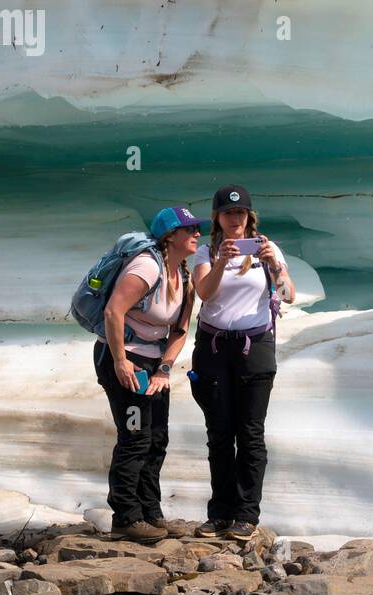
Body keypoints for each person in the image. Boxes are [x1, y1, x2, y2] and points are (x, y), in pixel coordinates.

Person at [190, 184, 296, 541]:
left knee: (250, 433)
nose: (235, 219)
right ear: (217, 218)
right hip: (215, 347)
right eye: (228, 213)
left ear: (249, 216)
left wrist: (274, 266)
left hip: (256, 346)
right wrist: (221, 261)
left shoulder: (267, 247)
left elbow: (288, 295)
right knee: (220, 432)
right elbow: (204, 293)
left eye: (241, 213)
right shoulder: (205, 253)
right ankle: (220, 511)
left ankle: (246, 515)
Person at [94, 205, 203, 544]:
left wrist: (165, 369)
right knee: (134, 438)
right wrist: (120, 362)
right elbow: (114, 311)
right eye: (190, 229)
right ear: (170, 236)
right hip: (123, 361)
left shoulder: (183, 276)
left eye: (197, 228)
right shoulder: (146, 266)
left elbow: (181, 330)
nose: (197, 234)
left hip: (153, 367)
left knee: (156, 438)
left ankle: (150, 513)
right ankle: (125, 517)